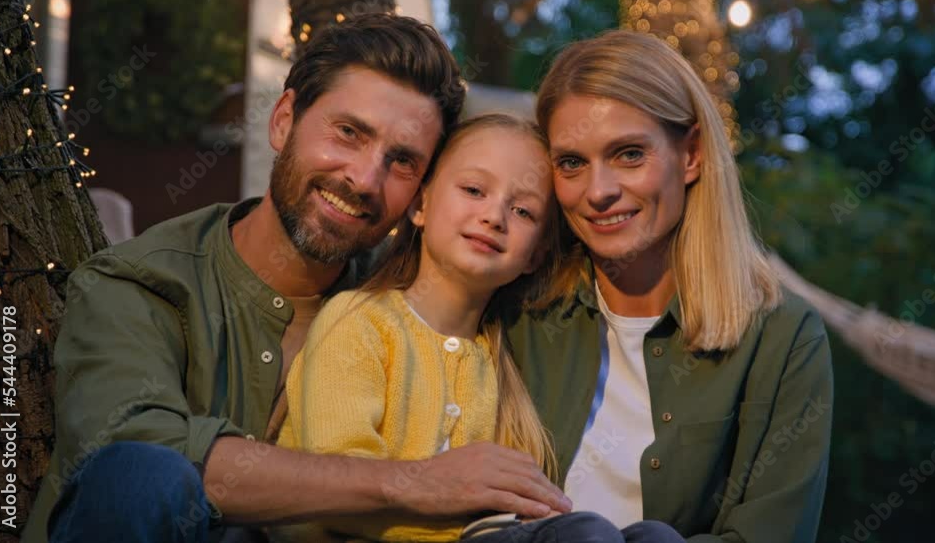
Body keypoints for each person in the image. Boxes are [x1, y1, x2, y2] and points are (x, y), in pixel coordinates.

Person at [23, 14, 570, 543]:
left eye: (401, 161)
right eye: (349, 133)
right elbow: (141, 454)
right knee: (145, 475)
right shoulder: (137, 285)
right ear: (283, 120)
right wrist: (420, 483)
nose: (363, 179)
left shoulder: (413, 302)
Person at [270, 113, 682, 543]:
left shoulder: (501, 362)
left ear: (536, 255)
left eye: (522, 211)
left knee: (656, 537)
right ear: (420, 204)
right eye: (473, 190)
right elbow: (339, 492)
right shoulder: (359, 322)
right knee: (584, 535)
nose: (494, 216)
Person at [504, 31, 834, 543]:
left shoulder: (782, 337)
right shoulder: (518, 312)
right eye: (572, 162)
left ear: (692, 154)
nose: (599, 192)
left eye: (629, 154)